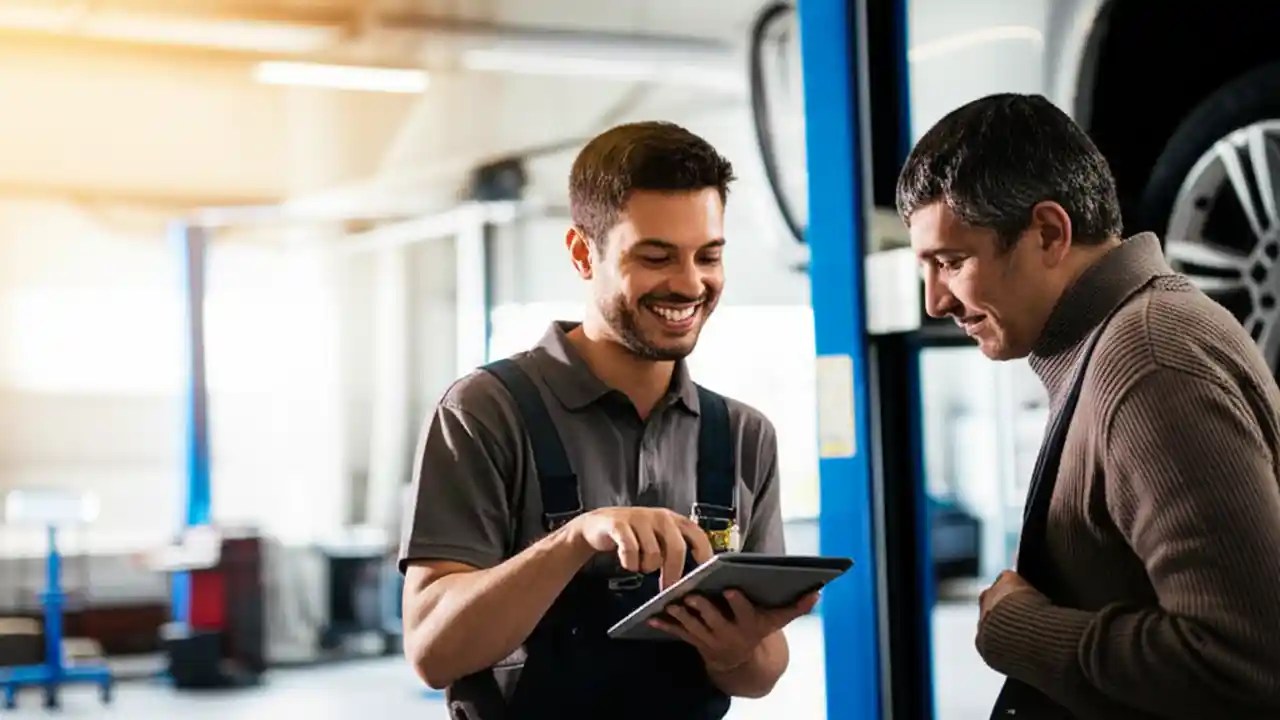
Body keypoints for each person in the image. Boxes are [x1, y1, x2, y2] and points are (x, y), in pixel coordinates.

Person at [398, 121, 814, 719]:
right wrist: (575, 538)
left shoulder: (744, 436)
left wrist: (731, 653)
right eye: (655, 256)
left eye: (709, 255)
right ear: (581, 252)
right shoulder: (483, 412)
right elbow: (433, 651)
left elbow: (762, 670)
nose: (690, 282)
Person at [896, 92, 1280, 719]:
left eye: (952, 261)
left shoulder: (1150, 359)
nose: (936, 301)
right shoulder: (1110, 346)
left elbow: (1244, 664)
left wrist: (1021, 630)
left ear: (1048, 232)